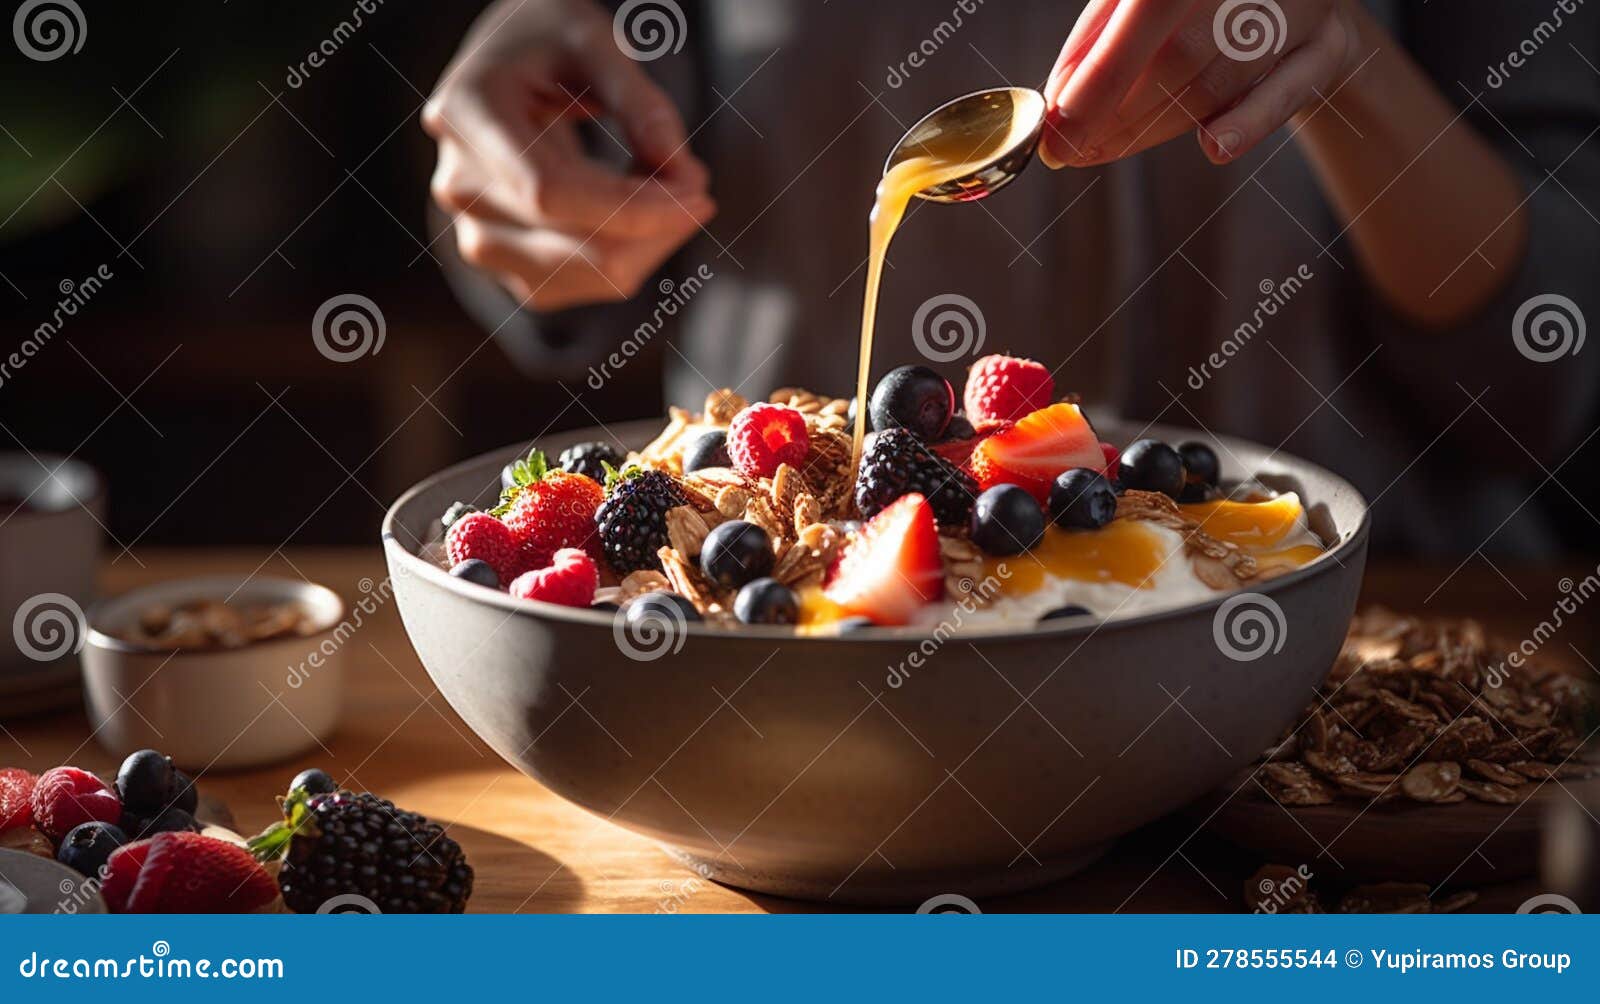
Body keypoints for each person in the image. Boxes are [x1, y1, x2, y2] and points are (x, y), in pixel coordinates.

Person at [422, 0, 1600, 554]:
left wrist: (1347, 63)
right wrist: (530, 170)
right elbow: (565, 223)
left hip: (1341, 650)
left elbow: (1553, 359)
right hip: (770, 674)